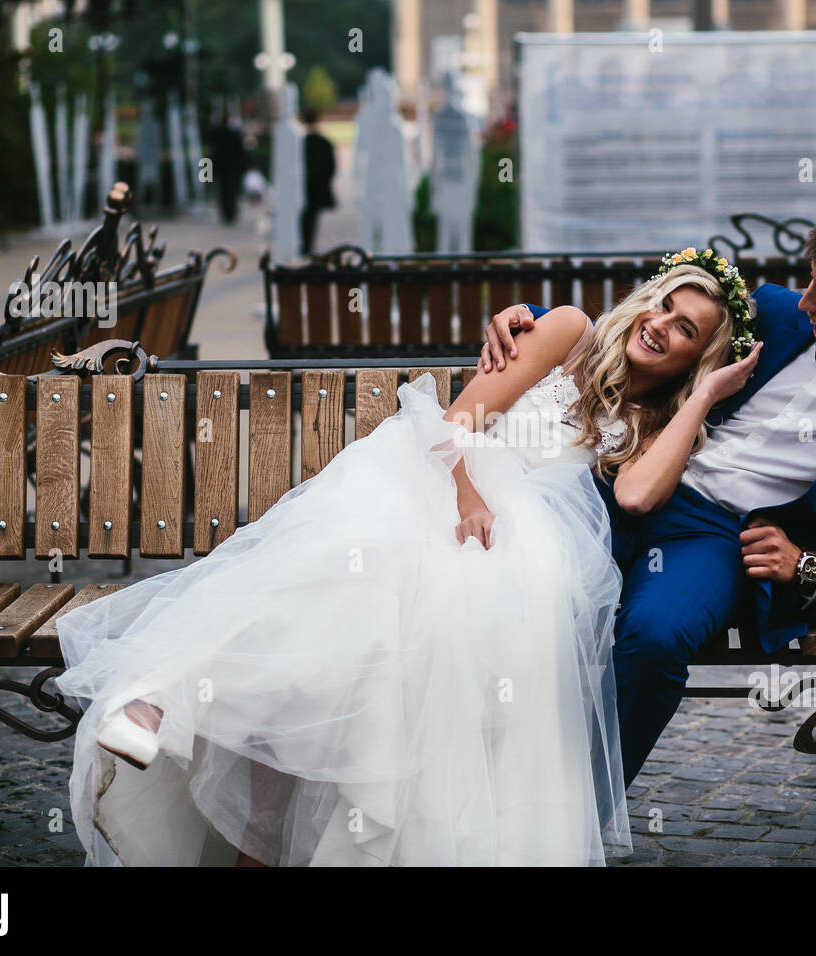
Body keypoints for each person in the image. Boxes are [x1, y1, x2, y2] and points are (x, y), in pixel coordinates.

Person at [54, 254, 763, 866]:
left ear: (696, 359)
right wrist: (466, 499)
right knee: (359, 565)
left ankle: (218, 774)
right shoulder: (569, 331)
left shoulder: (657, 427)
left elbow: (638, 497)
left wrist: (701, 396)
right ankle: (164, 702)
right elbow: (459, 420)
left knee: (366, 634)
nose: (661, 325)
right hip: (441, 474)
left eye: (685, 331)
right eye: (664, 305)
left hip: (517, 536)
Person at [478, 206, 816, 787]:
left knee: (655, 637)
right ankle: (468, 783)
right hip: (609, 479)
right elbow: (660, 327)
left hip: (713, 537)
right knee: (500, 582)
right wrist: (531, 321)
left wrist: (809, 567)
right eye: (811, 281)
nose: (804, 302)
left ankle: (571, 814)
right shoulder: (771, 312)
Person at [300, 108, 336, 256]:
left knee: (305, 217)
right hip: (317, 186)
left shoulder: (301, 142)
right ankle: (308, 245)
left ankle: (305, 244)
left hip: (306, 186)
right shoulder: (323, 141)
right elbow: (331, 166)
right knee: (312, 217)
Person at [209, 107, 247, 225]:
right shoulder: (234, 133)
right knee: (231, 191)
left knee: (223, 191)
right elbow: (240, 151)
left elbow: (213, 151)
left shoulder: (217, 133)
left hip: (222, 167)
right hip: (232, 167)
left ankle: (226, 213)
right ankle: (230, 213)